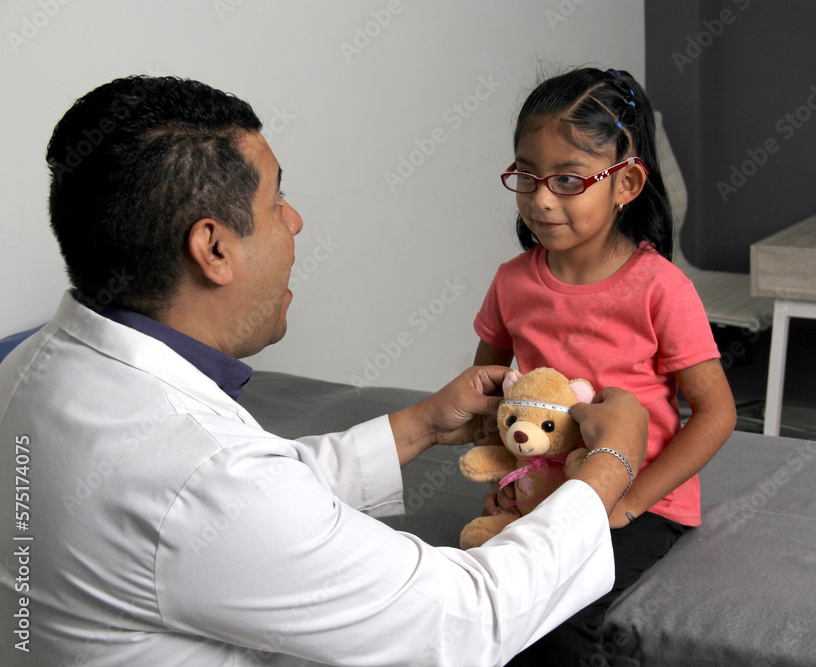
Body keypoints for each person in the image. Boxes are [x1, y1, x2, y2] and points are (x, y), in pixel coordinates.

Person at [0, 75, 651, 667]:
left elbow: (255, 494)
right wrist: (610, 463)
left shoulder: (28, 369)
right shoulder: (202, 476)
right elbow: (469, 618)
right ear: (214, 248)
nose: (295, 220)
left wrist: (420, 425)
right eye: (277, 199)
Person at [473, 67, 738, 665]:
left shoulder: (660, 289)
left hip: (640, 499)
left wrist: (630, 503)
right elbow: (489, 395)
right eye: (527, 176)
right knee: (483, 598)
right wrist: (504, 483)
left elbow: (716, 413)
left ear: (626, 183)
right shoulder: (511, 283)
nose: (541, 198)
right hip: (545, 489)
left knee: (555, 619)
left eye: (568, 180)